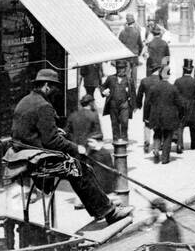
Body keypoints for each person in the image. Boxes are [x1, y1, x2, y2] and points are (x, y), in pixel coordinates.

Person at [8, 69, 129, 224]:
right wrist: (76, 148)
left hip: (24, 153)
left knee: (78, 168)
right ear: (46, 86)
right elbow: (52, 142)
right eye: (54, 88)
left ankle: (103, 207)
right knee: (80, 169)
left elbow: (32, 130)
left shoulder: (25, 100)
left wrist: (55, 132)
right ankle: (108, 212)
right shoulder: (44, 106)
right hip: (37, 159)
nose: (56, 92)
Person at [140, 63, 181, 165]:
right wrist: (180, 115)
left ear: (159, 74)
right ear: (168, 75)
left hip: (156, 115)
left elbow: (148, 103)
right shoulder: (173, 88)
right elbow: (180, 104)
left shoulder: (153, 88)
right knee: (168, 136)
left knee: (157, 133)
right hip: (169, 116)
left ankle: (156, 149)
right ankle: (165, 158)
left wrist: (146, 117)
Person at [174, 58, 195, 152]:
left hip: (181, 107)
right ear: (191, 70)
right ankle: (193, 144)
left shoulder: (178, 81)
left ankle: (179, 145)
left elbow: (174, 95)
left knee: (180, 126)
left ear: (183, 69)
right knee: (193, 126)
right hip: (192, 107)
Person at [135, 64, 161, 155]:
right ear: (159, 70)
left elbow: (139, 95)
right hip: (158, 107)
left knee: (147, 124)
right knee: (158, 127)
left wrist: (138, 105)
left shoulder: (144, 81)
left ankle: (146, 141)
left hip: (147, 106)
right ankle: (156, 148)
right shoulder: (161, 80)